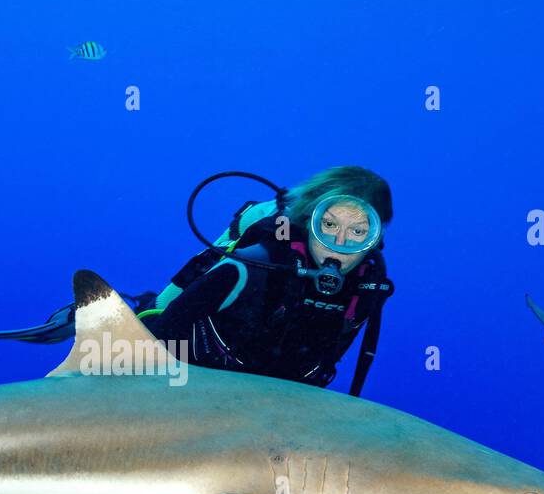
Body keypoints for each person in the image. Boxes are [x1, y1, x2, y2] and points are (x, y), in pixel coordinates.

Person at [142, 167, 394, 395]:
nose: (339, 244)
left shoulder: (366, 290)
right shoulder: (248, 268)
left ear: (375, 238)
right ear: (308, 221)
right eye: (329, 224)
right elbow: (156, 341)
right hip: (186, 381)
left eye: (358, 231)